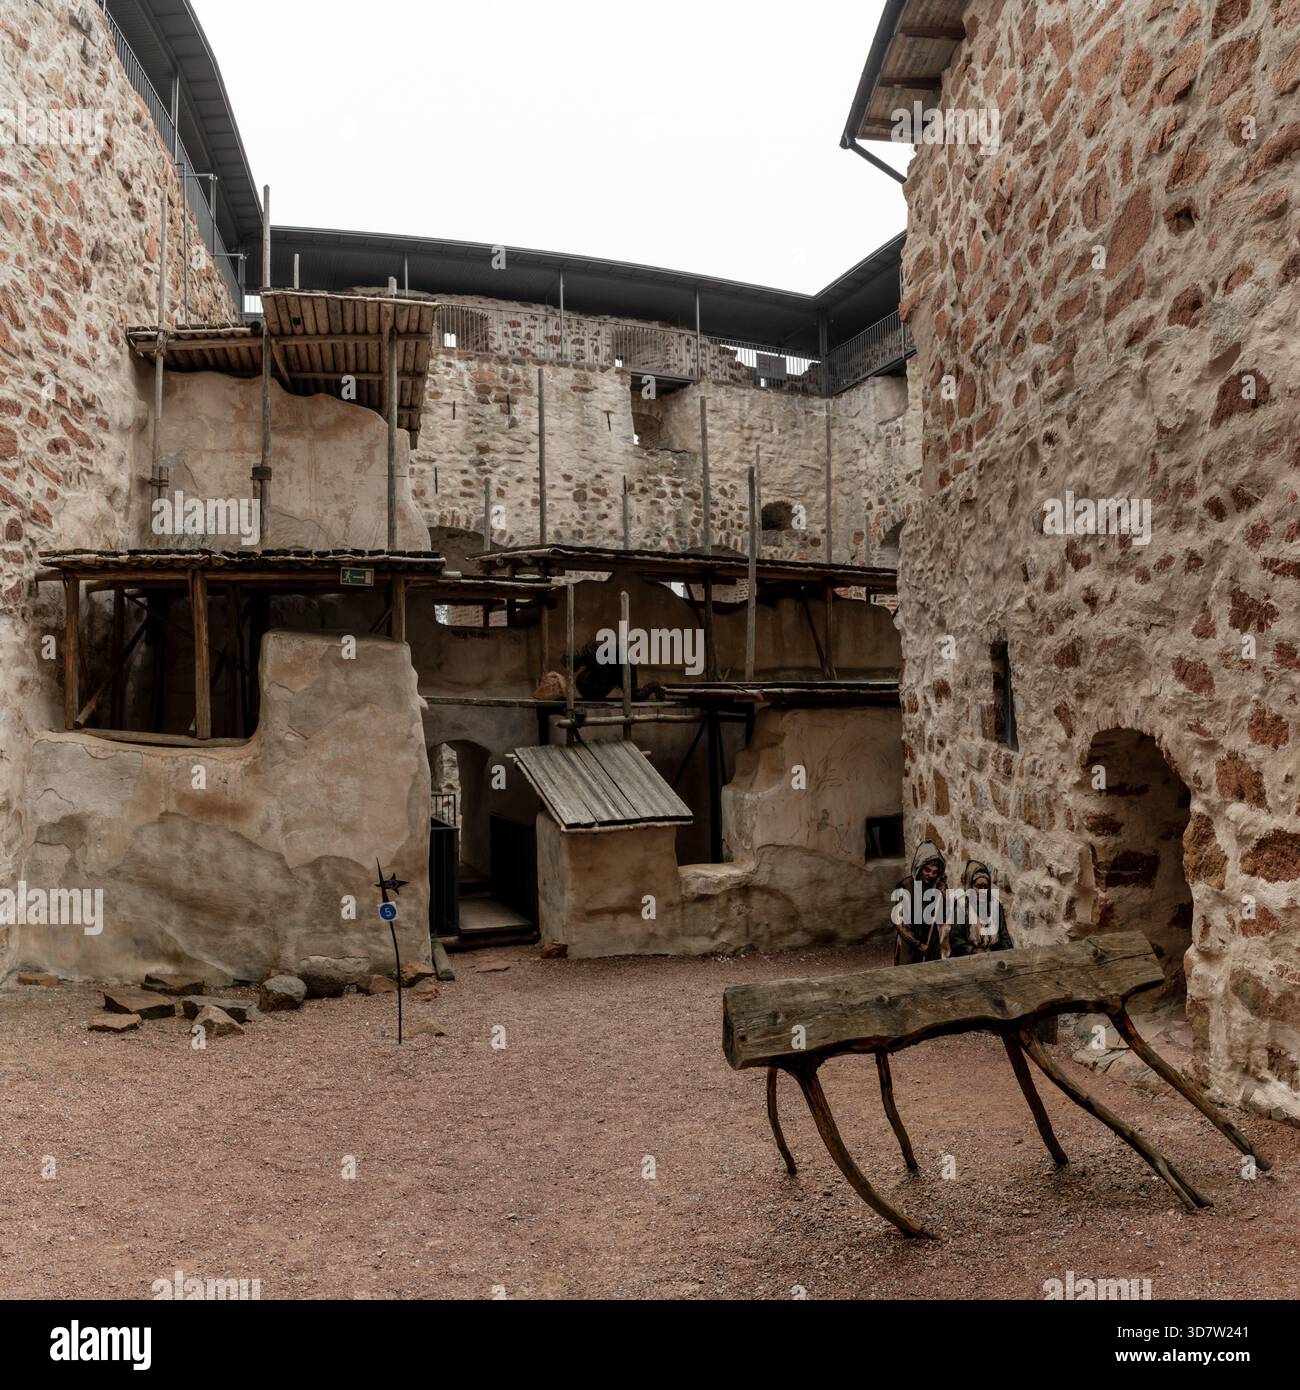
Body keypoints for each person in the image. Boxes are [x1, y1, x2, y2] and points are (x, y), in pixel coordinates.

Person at [893, 840, 957, 964]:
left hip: (930, 939)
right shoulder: (905, 887)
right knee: (907, 977)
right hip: (910, 943)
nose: (930, 875)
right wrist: (918, 945)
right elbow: (900, 924)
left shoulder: (937, 888)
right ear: (919, 867)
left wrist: (944, 896)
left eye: (934, 872)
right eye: (927, 870)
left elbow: (944, 917)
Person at [961, 859, 1012, 953]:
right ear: (970, 886)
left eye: (985, 887)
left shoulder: (996, 907)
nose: (982, 891)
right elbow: (956, 941)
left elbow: (1005, 938)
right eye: (978, 887)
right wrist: (973, 950)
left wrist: (994, 951)